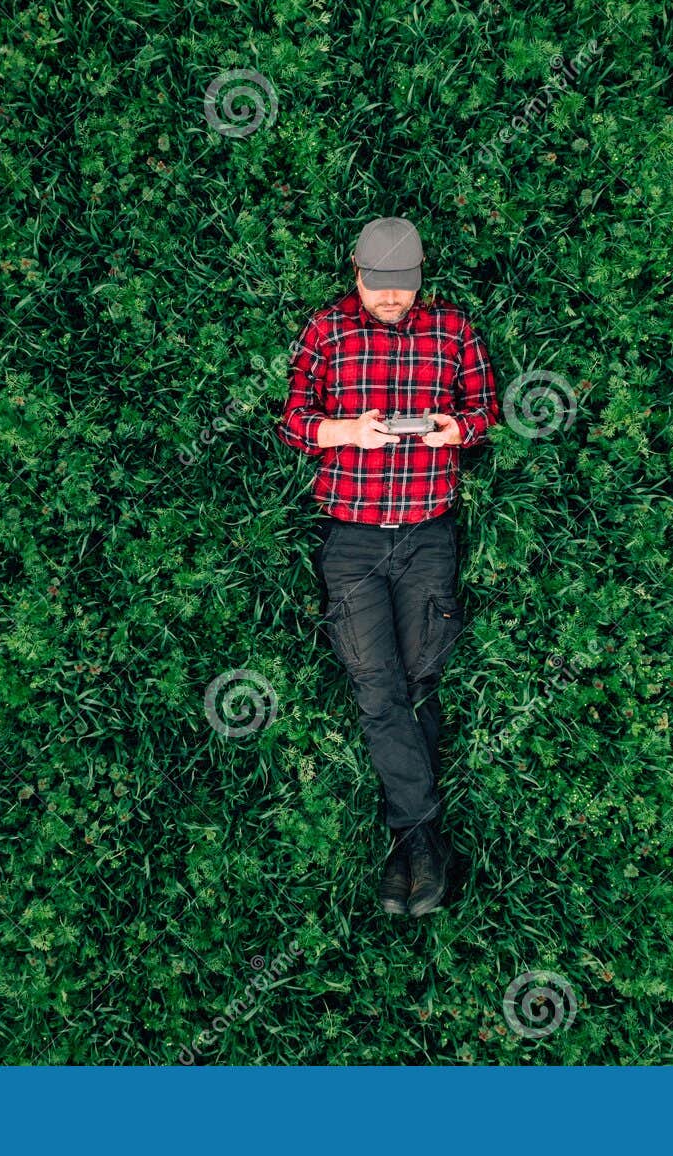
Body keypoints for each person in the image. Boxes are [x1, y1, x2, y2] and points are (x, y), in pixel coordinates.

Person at [275, 216, 500, 916]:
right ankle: (424, 843)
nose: (392, 299)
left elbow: (487, 409)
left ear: (420, 278)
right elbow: (292, 419)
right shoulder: (327, 330)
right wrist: (349, 432)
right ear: (357, 273)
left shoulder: (453, 331)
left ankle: (412, 846)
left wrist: (455, 429)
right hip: (353, 539)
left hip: (429, 533)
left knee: (420, 681)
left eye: (404, 286)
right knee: (380, 689)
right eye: (379, 286)